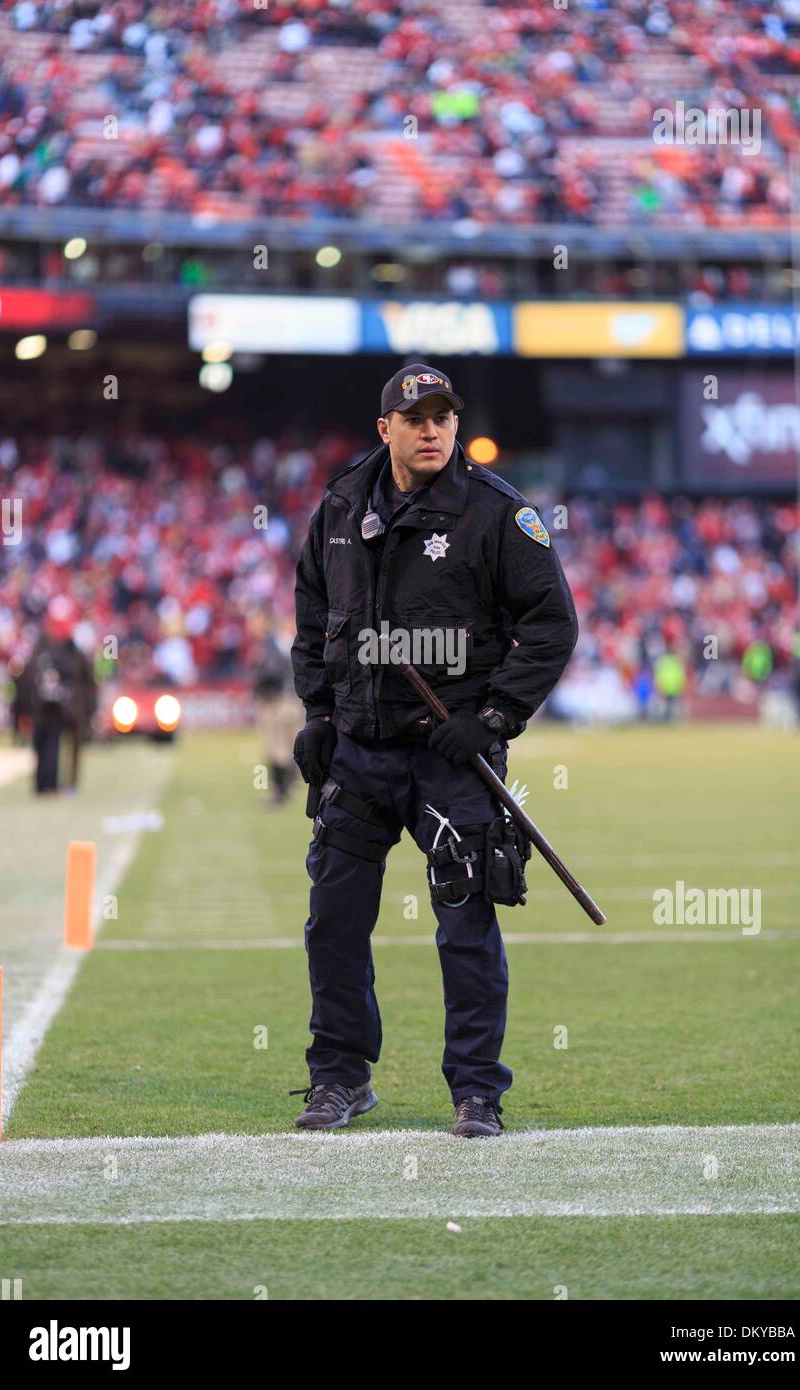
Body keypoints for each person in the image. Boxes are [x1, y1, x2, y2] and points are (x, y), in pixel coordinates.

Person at [289, 363, 578, 1137]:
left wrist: (492, 716)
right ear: (384, 427)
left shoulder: (497, 514)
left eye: (443, 417)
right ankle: (340, 1077)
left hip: (453, 756)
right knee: (334, 920)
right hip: (357, 748)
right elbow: (315, 615)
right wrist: (319, 713)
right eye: (415, 418)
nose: (432, 430)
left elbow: (552, 625)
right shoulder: (343, 503)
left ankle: (477, 1091)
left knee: (465, 920)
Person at [23, 597, 96, 795]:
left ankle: (66, 783)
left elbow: (86, 675)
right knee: (49, 745)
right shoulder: (45, 645)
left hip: (69, 705)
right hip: (52, 706)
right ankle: (49, 784)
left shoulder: (71, 646)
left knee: (66, 745)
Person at [252, 615, 301, 807]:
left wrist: (262, 691)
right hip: (294, 700)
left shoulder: (273, 645)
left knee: (277, 747)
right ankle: (290, 784)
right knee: (290, 745)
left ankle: (279, 792)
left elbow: (269, 673)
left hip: (278, 701)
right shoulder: (293, 644)